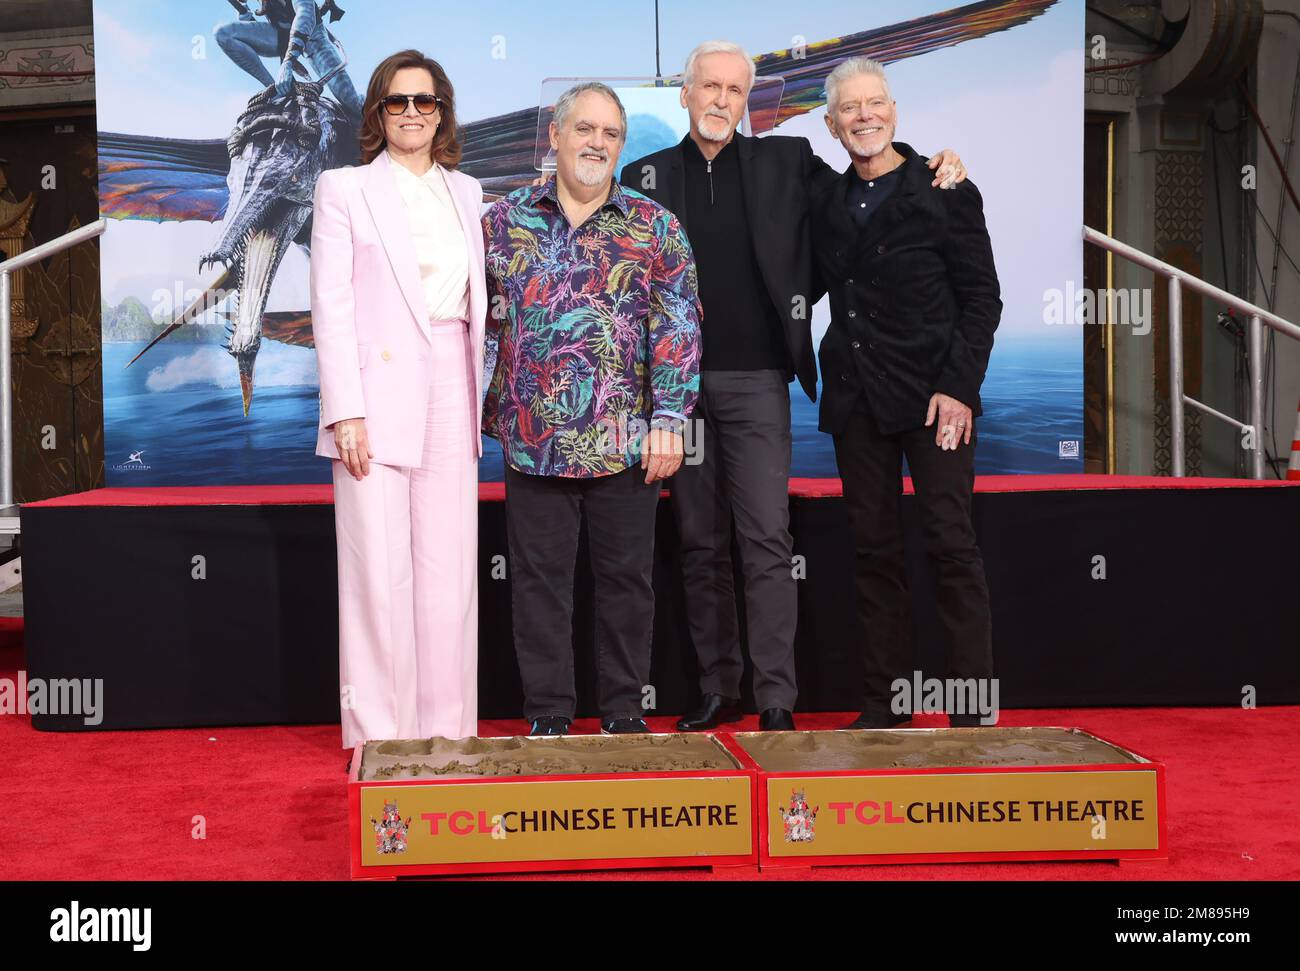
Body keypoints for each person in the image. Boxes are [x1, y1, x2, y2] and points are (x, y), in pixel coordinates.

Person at [621, 41, 967, 732]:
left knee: (766, 539)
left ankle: (776, 696)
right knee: (696, 540)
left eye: (734, 90)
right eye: (708, 87)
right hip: (676, 391)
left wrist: (937, 163)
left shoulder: (787, 162)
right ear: (684, 95)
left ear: (748, 101)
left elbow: (868, 179)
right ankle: (719, 689)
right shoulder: (644, 176)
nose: (721, 100)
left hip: (757, 381)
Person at [481, 82, 702, 737]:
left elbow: (679, 326)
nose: (596, 143)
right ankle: (548, 713)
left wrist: (670, 421)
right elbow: (466, 319)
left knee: (627, 583)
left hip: (627, 442)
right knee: (539, 585)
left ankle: (623, 711)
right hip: (532, 438)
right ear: (555, 134)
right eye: (585, 129)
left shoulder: (655, 227)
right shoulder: (502, 221)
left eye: (609, 133)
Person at [811, 57, 1000, 728]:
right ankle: (886, 706)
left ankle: (972, 713)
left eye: (875, 102)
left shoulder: (945, 188)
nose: (865, 115)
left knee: (952, 543)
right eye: (850, 108)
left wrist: (958, 387)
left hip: (935, 399)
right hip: (858, 400)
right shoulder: (824, 202)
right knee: (874, 552)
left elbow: (982, 298)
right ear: (831, 124)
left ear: (894, 111)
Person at [311, 50, 487, 755]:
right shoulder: (343, 188)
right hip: (374, 396)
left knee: (449, 575)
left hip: (453, 381)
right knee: (378, 572)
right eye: (396, 101)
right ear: (377, 113)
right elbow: (331, 303)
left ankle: (449, 731)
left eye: (424, 101)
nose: (411, 113)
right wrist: (343, 408)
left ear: (441, 110)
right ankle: (381, 737)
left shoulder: (469, 192)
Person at [215, 0, 362, 117]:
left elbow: (305, 16)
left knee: (352, 103)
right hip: (281, 34)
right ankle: (276, 90)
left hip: (313, 36)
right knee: (224, 34)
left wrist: (288, 62)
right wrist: (246, 17)